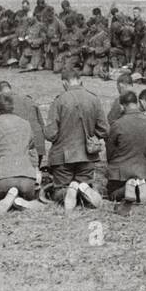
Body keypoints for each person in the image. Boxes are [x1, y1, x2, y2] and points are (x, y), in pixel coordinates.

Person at [44, 68, 108, 210]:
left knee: (59, 192)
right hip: (87, 156)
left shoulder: (59, 101)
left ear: (64, 83)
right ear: (80, 80)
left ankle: (69, 191)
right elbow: (104, 129)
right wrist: (91, 136)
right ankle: (83, 188)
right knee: (86, 184)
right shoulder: (94, 99)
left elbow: (50, 134)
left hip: (63, 158)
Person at [0, 91, 43, 214]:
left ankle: (10, 197)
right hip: (27, 180)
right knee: (36, 197)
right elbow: (33, 154)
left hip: (3, 180)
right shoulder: (26, 124)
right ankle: (22, 201)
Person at [104, 90, 146, 205]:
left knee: (111, 194)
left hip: (120, 175)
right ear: (137, 102)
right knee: (141, 188)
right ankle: (138, 187)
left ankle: (127, 188)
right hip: (144, 173)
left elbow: (109, 152)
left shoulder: (117, 124)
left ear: (122, 106)